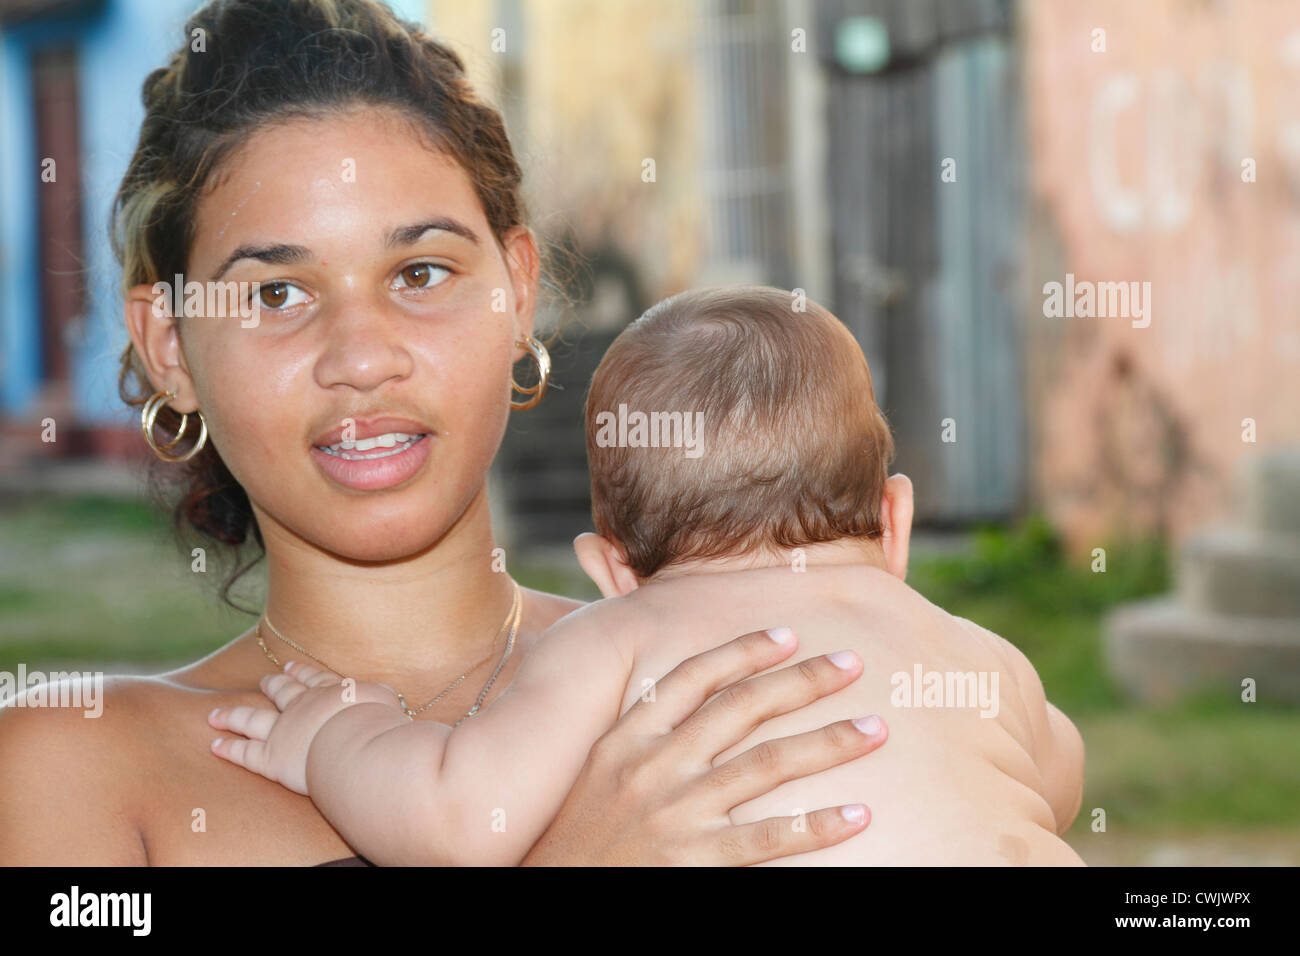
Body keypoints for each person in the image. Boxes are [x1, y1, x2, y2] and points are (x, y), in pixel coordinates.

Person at [0, 0, 889, 866]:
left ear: (517, 292)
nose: (363, 357)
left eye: (420, 272)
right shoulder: (70, 767)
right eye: (277, 293)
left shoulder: (725, 690)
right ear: (170, 346)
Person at [209, 287, 1086, 866]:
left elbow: (458, 820)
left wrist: (336, 735)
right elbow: (1057, 779)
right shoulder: (977, 656)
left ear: (611, 569)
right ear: (896, 522)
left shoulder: (611, 638)